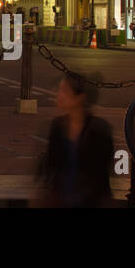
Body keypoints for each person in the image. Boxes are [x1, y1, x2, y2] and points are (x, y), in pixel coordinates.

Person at [36, 74, 115, 207]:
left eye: (65, 91)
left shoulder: (99, 131)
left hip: (88, 202)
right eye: (59, 89)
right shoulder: (57, 126)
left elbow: (101, 177)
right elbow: (51, 167)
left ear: (80, 98)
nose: (59, 95)